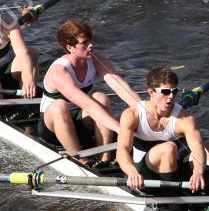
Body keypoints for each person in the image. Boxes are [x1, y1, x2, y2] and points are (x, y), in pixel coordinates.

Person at [38, 19, 139, 156]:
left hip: (79, 119)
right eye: (84, 43)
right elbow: (88, 105)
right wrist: (119, 129)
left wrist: (146, 111)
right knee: (59, 106)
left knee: (101, 98)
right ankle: (80, 160)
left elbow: (121, 87)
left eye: (90, 40)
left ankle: (105, 159)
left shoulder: (97, 59)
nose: (91, 45)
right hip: (52, 128)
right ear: (70, 48)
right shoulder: (60, 71)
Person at [116, 65, 209, 191]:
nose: (171, 96)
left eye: (174, 91)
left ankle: (201, 190)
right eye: (166, 92)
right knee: (169, 148)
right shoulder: (132, 115)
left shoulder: (186, 119)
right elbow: (122, 150)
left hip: (172, 169)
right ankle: (175, 201)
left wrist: (198, 172)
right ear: (151, 92)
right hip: (143, 174)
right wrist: (132, 173)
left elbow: (198, 149)